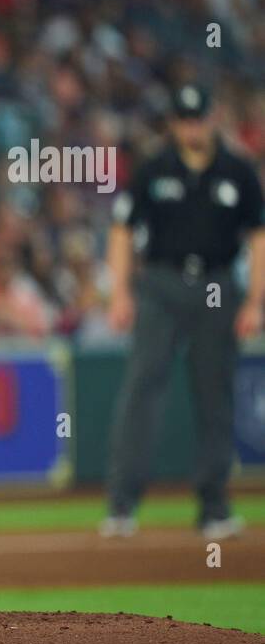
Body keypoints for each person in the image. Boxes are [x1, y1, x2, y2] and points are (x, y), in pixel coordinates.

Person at [104, 84, 265, 540]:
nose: (192, 126)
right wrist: (119, 293)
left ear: (210, 118)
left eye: (198, 117)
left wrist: (255, 300)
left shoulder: (238, 170)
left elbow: (258, 237)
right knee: (141, 389)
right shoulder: (154, 168)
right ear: (173, 122)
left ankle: (214, 508)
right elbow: (122, 228)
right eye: (184, 118)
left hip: (217, 285)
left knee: (216, 395)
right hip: (160, 284)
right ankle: (121, 505)